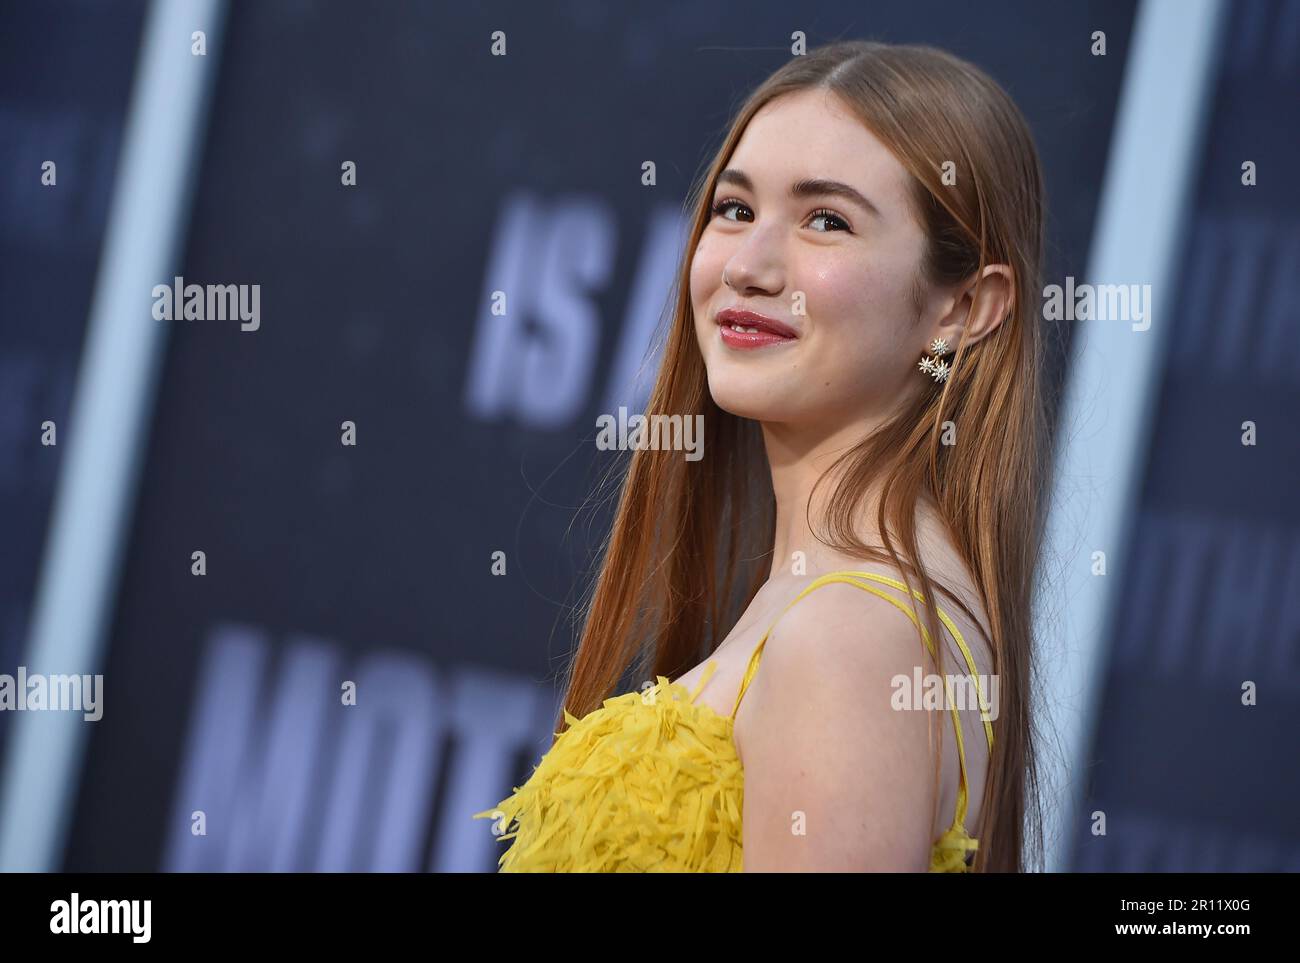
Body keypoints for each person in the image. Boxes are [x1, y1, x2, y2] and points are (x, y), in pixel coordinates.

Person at [474, 39, 1050, 872]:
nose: (748, 265)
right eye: (735, 209)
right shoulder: (853, 606)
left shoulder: (849, 638)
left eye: (827, 221)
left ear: (961, 309)